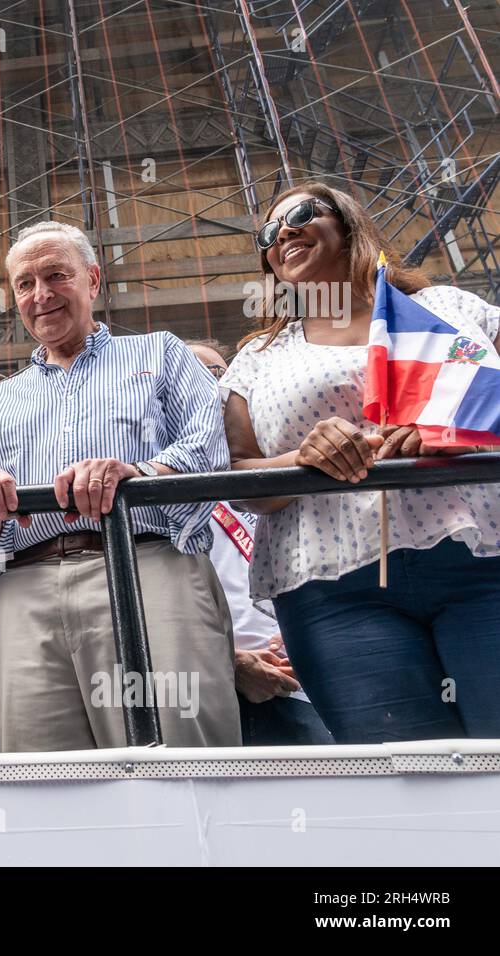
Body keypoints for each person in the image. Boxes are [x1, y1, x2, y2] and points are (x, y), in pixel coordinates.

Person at [220, 181, 500, 743]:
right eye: (268, 234)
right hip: (335, 591)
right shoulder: (258, 358)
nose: (283, 234)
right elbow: (238, 477)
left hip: (484, 562)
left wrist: (451, 426)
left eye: (299, 213)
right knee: (404, 777)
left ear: (346, 221)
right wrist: (300, 459)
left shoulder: (448, 308)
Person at [0, 220, 240, 752]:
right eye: (24, 284)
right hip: (24, 590)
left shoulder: (162, 354)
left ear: (93, 280)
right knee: (40, 780)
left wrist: (138, 474)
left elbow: (210, 449)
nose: (40, 295)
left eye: (56, 275)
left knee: (179, 757)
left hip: (147, 565)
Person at [185, 338, 332, 746]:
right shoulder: (162, 496)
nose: (209, 388)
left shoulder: (279, 480)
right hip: (225, 687)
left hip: (314, 665)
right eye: (189, 375)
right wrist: (229, 662)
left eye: (217, 374)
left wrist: (310, 634)